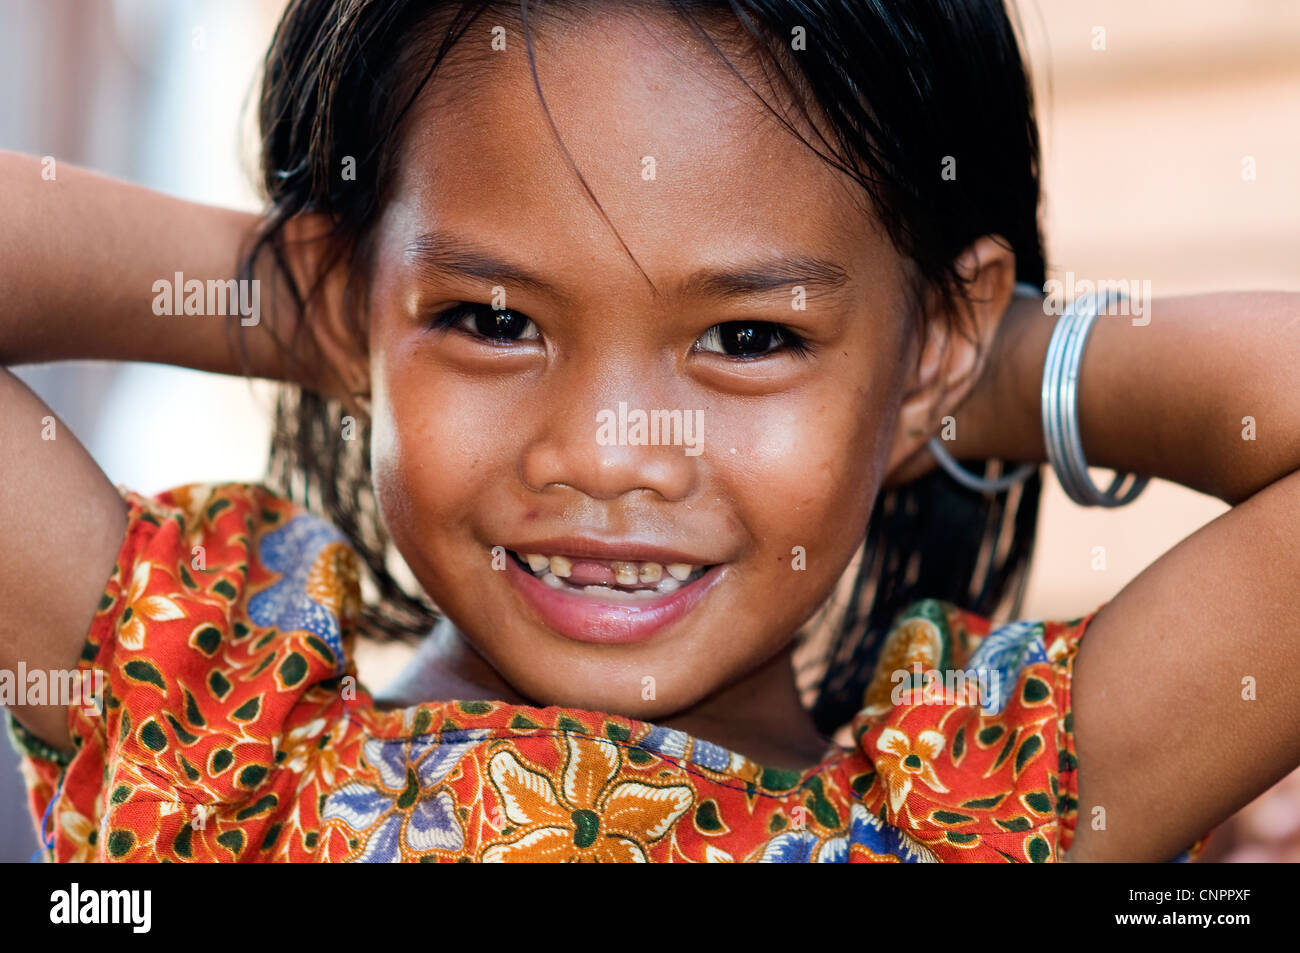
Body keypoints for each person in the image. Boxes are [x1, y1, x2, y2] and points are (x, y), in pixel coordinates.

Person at [3, 0, 1296, 863]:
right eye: (493, 319)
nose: (609, 450)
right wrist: (312, 297)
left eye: (748, 336)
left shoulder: (979, 815)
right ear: (353, 306)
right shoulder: (209, 753)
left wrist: (956, 364)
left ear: (933, 349)